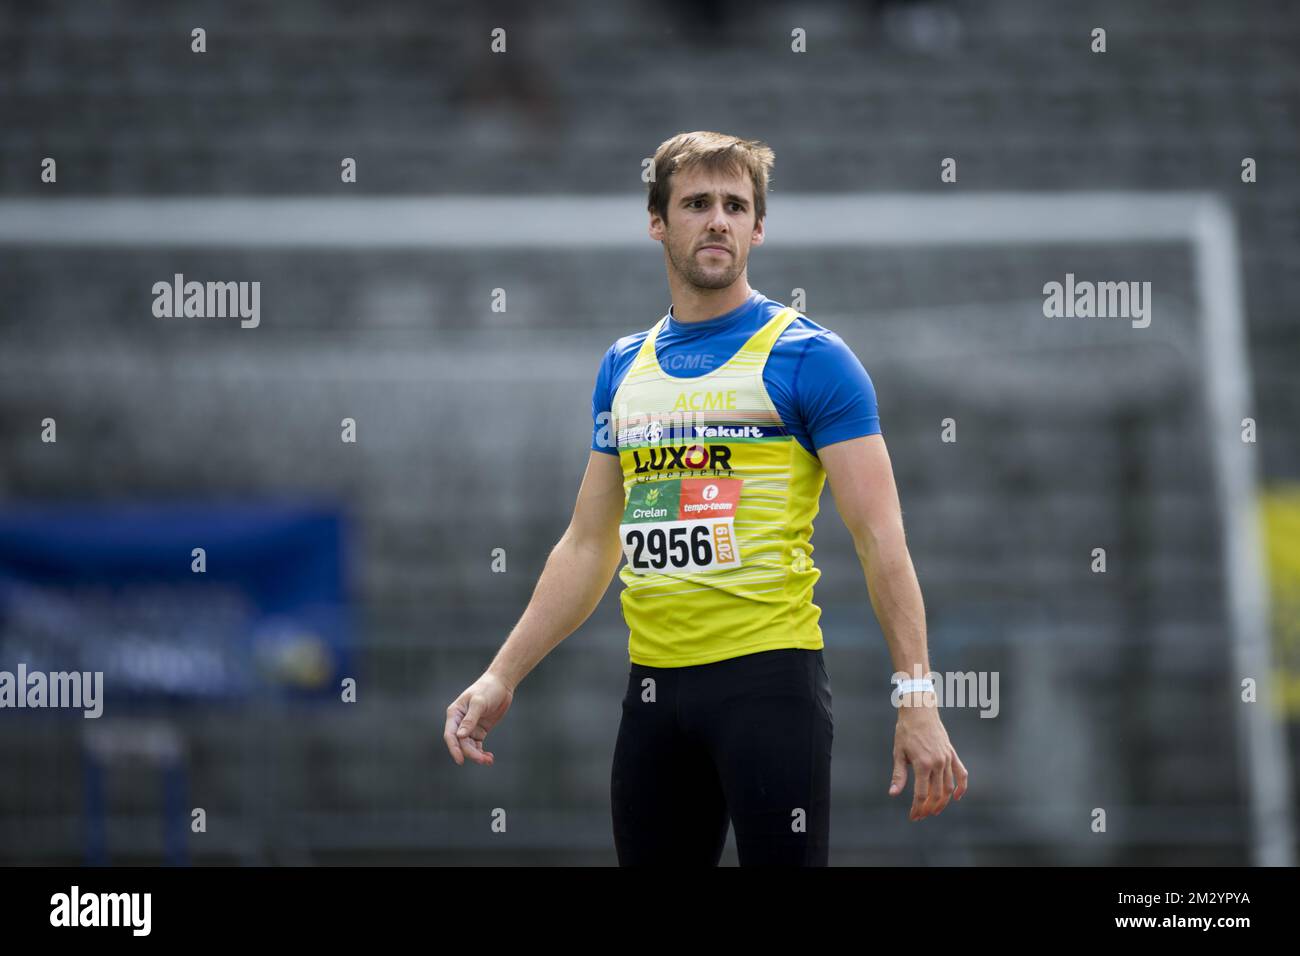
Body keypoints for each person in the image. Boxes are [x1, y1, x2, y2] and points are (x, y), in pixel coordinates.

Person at [444, 130, 968, 865]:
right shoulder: (623, 367)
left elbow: (882, 539)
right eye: (696, 203)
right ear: (657, 222)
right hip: (654, 696)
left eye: (735, 205)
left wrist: (918, 698)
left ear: (757, 227)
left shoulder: (812, 359)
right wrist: (502, 674)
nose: (717, 219)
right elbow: (591, 543)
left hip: (768, 685)